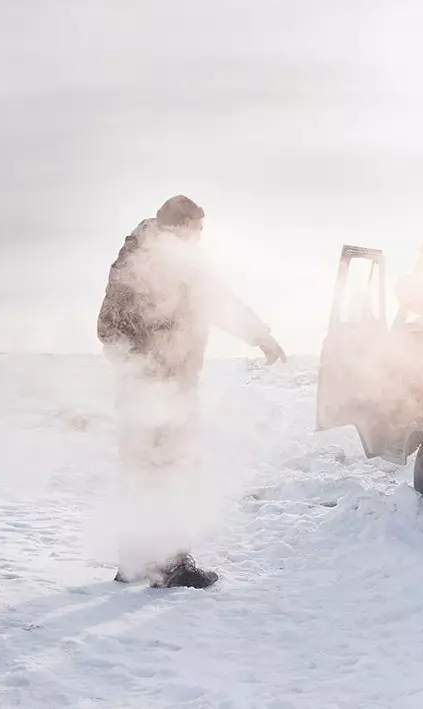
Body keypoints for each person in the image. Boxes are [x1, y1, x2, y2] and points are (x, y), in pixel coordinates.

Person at [96, 195, 286, 588]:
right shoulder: (151, 261)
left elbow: (217, 302)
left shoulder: (145, 256)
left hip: (156, 385)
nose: (200, 237)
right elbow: (109, 326)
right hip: (157, 387)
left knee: (146, 471)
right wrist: (151, 364)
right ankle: (168, 563)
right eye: (196, 229)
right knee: (167, 468)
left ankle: (136, 562)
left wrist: (261, 337)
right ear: (181, 226)